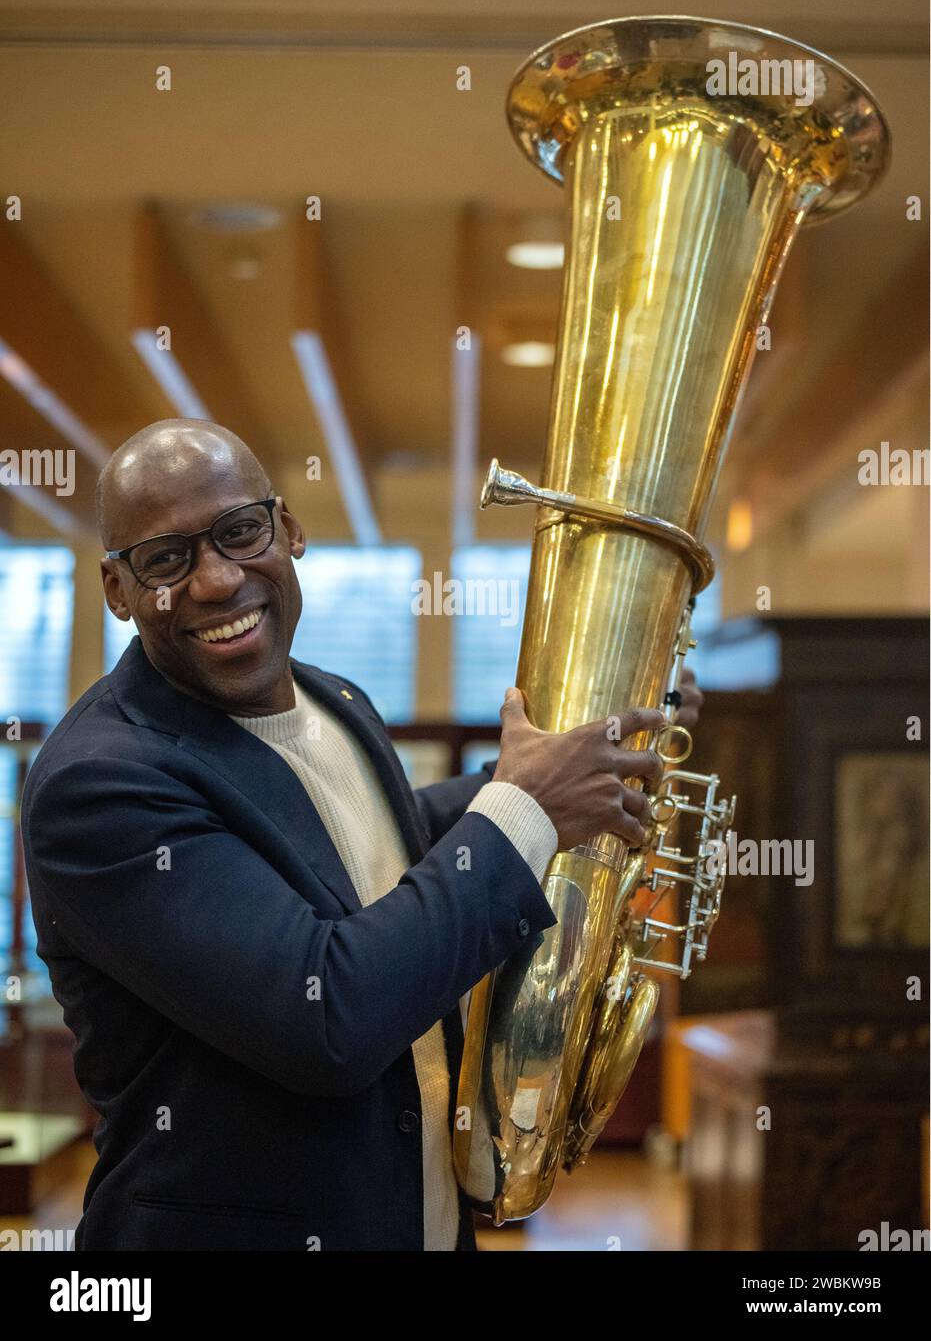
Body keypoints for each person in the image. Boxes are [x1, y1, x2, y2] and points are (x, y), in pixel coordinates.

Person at [21, 418, 703, 1252]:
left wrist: (577, 758)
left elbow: (381, 851)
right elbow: (326, 1016)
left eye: (240, 532)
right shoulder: (99, 784)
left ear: (289, 530)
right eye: (166, 559)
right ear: (117, 591)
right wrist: (523, 810)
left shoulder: (335, 701)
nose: (214, 579)